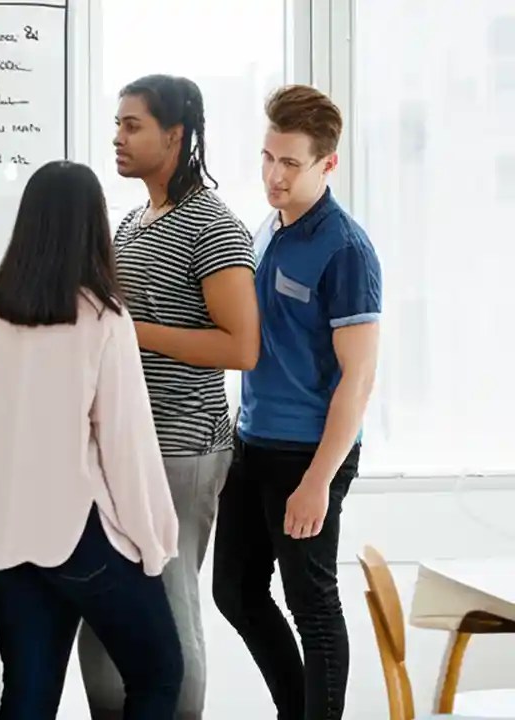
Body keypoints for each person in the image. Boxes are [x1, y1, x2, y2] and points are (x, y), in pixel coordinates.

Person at [78, 74, 260, 720]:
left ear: (175, 136)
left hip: (183, 447)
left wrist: (130, 330)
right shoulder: (133, 221)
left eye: (133, 126)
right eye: (117, 124)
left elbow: (242, 347)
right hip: (121, 445)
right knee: (103, 609)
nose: (118, 138)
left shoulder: (213, 226)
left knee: (171, 604)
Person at [0, 160, 184, 719]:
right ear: (94, 224)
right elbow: (125, 442)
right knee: (159, 674)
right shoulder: (102, 317)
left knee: (29, 693)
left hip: (8, 531)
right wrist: (152, 541)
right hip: (77, 530)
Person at [213, 85, 381, 720]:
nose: (273, 176)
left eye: (290, 163)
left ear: (327, 164)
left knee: (312, 605)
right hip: (252, 442)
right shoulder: (268, 228)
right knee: (234, 591)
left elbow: (358, 379)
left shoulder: (345, 249)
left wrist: (318, 482)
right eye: (267, 157)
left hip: (309, 452)